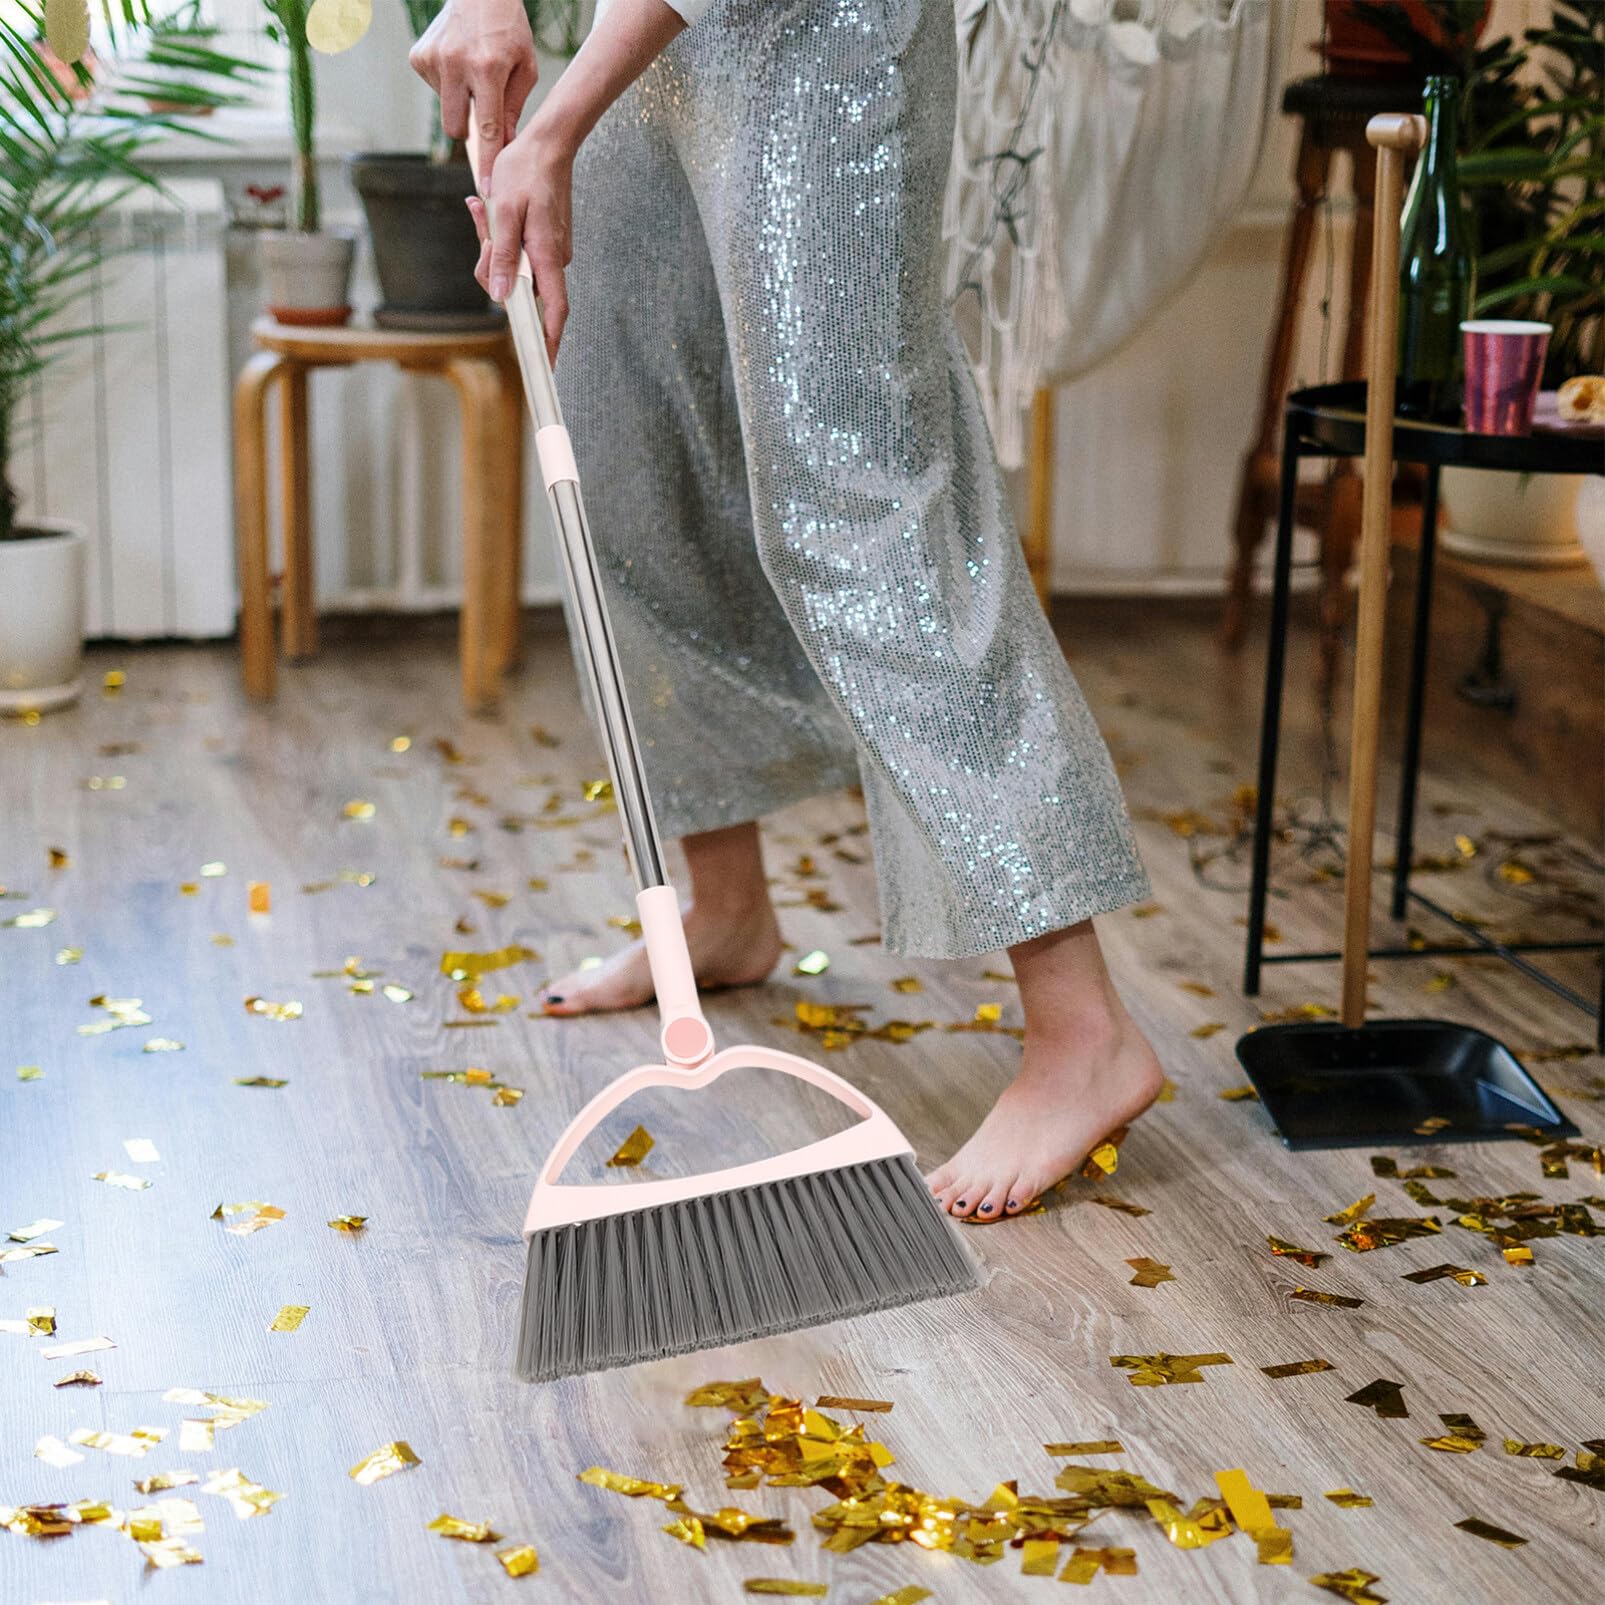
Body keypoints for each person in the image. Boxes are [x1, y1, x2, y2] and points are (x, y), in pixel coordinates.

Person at [411, 0, 1163, 1222]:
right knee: (630, 461)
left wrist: (554, 125)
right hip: (631, 35)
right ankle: (724, 910)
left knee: (854, 500)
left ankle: (1085, 1031)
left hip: (820, 28)